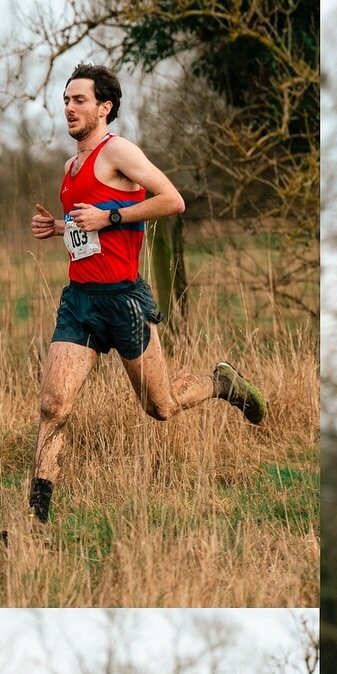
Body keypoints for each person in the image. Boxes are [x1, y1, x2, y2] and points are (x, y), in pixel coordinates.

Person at [26, 63, 266, 525]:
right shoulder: (70, 166)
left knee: (160, 407)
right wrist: (59, 227)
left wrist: (111, 217)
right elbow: (89, 225)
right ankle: (36, 523)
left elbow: (173, 200)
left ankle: (220, 383)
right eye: (66, 100)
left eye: (79, 100)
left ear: (105, 107)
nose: (69, 108)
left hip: (125, 302)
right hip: (80, 303)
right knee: (53, 405)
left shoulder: (120, 153)